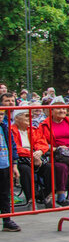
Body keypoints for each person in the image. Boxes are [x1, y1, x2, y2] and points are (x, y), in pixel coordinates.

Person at [1, 96, 18, 230]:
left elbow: (12, 146)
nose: (0, 116)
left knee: (5, 194)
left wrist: (14, 164)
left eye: (2, 114)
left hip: (4, 165)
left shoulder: (5, 127)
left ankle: (7, 220)